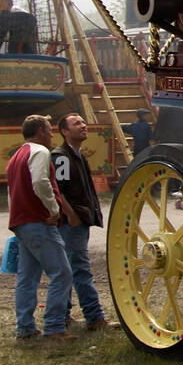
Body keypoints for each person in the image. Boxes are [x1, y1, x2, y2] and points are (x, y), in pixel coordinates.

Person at [5, 115, 76, 341]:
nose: (52, 134)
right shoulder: (40, 152)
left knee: (27, 277)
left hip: (21, 222)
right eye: (49, 129)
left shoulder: (16, 156)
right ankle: (54, 326)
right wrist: (54, 209)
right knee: (62, 273)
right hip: (38, 220)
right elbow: (40, 182)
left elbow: (13, 191)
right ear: (40, 131)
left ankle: (25, 327)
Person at [51, 114, 114, 331]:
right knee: (80, 269)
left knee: (69, 268)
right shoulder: (61, 157)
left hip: (80, 219)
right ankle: (94, 317)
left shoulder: (76, 155)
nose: (83, 126)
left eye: (83, 122)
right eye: (76, 123)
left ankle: (63, 314)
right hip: (73, 222)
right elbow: (57, 189)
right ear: (64, 131)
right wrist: (71, 214)